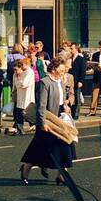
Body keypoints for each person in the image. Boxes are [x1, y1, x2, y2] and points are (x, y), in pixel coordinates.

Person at [20, 57, 72, 185]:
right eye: (60, 70)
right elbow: (41, 106)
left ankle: (61, 176)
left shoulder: (61, 82)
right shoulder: (45, 82)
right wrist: (42, 123)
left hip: (59, 117)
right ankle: (26, 168)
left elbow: (63, 98)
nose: (62, 72)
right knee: (40, 148)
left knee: (64, 145)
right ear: (53, 69)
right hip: (48, 119)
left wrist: (66, 106)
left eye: (64, 70)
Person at [11, 55, 35, 137]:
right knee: (18, 113)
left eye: (16, 69)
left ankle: (35, 124)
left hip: (27, 96)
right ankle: (19, 129)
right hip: (19, 96)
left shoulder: (29, 72)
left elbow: (24, 84)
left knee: (26, 113)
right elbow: (15, 85)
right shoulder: (16, 74)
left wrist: (19, 80)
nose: (15, 71)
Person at [69, 43, 87, 121]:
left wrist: (81, 81)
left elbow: (83, 71)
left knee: (77, 97)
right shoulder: (70, 58)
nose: (71, 50)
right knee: (71, 96)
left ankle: (76, 114)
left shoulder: (80, 58)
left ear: (76, 49)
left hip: (77, 80)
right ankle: (71, 113)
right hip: (70, 81)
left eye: (72, 48)